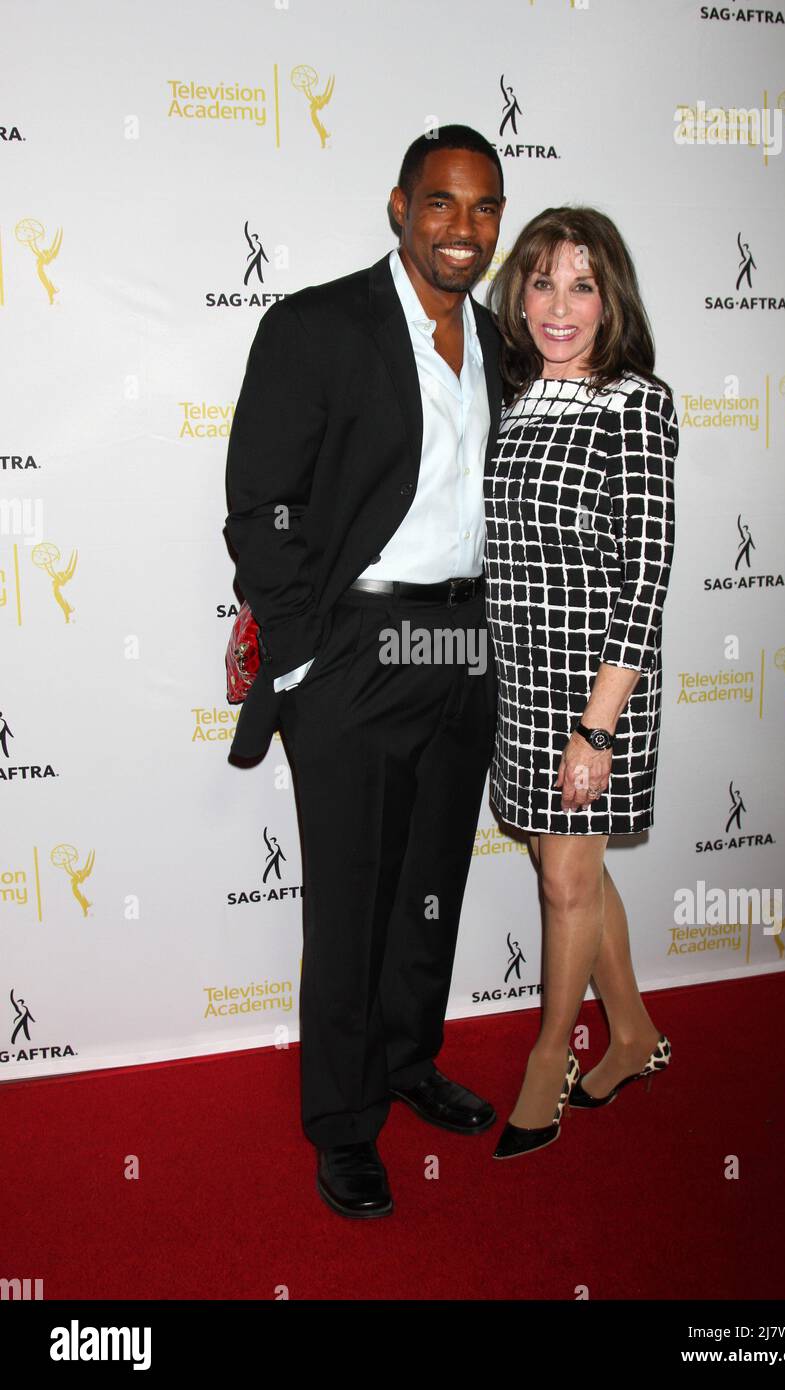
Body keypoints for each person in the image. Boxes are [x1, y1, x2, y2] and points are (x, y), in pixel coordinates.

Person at [224, 126, 506, 1216]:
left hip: (464, 645)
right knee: (349, 897)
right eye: (441, 204)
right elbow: (261, 506)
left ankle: (405, 1057)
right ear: (398, 207)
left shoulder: (498, 341)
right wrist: (298, 663)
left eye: (483, 208)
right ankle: (342, 1122)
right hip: (356, 650)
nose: (462, 229)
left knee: (430, 878)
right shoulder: (315, 327)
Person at [483, 207, 678, 1160]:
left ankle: (547, 1059)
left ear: (611, 299)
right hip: (520, 679)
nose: (560, 305)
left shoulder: (635, 401)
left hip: (599, 679)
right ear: (519, 293)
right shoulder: (513, 399)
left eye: (583, 284)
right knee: (573, 869)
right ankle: (634, 1034)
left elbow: (647, 570)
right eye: (544, 282)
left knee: (565, 880)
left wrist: (599, 724)